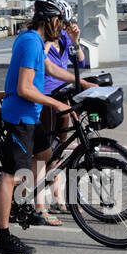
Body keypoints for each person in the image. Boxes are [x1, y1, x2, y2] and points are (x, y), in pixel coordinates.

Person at [0, 0, 72, 254]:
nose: (61, 27)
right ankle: (3, 236)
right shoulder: (29, 42)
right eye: (60, 22)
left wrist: (83, 83)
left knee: (46, 156)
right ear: (49, 20)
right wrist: (56, 104)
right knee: (11, 175)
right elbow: (24, 88)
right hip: (20, 118)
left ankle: (23, 203)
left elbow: (49, 70)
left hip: (31, 116)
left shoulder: (36, 42)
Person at [38, 12, 94, 216]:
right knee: (46, 149)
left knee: (59, 148)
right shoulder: (41, 41)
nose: (62, 26)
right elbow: (41, 64)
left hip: (63, 95)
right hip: (46, 97)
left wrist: (75, 41)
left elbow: (81, 63)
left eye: (64, 23)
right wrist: (47, 42)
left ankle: (57, 199)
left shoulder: (64, 39)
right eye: (60, 23)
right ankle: (47, 199)